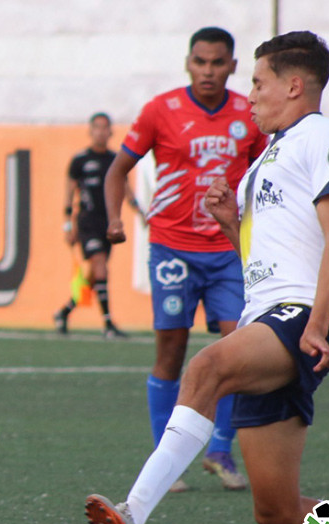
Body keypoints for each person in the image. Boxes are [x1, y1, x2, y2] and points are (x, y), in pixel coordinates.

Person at [84, 32, 329, 524]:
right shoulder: (265, 160)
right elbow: (263, 261)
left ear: (294, 85)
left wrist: (319, 324)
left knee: (205, 367)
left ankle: (132, 515)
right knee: (276, 513)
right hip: (272, 316)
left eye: (257, 82)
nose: (247, 95)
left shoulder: (323, 135)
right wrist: (233, 225)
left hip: (304, 317)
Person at [104, 27, 269, 492]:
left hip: (228, 248)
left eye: (218, 63)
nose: (208, 71)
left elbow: (265, 175)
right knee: (171, 350)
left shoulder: (248, 113)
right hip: (173, 246)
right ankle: (166, 457)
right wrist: (114, 218)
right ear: (188, 63)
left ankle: (220, 452)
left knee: (239, 349)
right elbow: (119, 169)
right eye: (200, 62)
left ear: (233, 66)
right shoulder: (161, 110)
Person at [53, 112, 130, 339]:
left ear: (111, 132)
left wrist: (138, 208)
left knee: (96, 274)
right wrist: (67, 225)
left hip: (107, 223)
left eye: (105, 128)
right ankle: (107, 323)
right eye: (97, 127)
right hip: (86, 222)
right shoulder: (80, 160)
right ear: (90, 130)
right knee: (99, 265)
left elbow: (124, 185)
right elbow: (69, 193)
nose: (101, 132)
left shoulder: (115, 160)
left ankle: (64, 312)